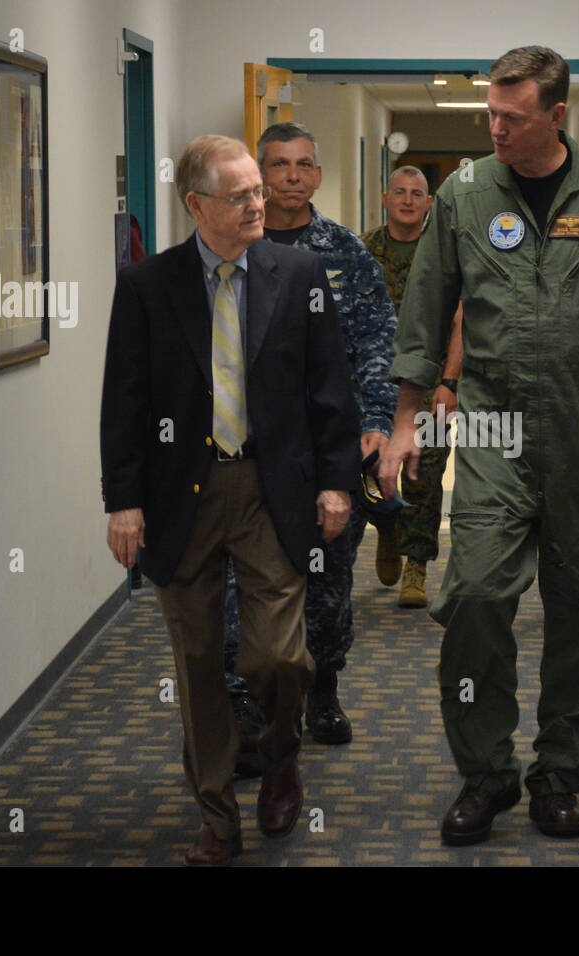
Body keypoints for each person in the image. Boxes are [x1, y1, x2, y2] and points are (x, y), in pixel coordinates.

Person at [380, 46, 579, 845]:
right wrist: (407, 417)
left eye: (511, 119)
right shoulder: (464, 195)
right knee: (478, 595)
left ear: (557, 116)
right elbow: (426, 308)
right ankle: (485, 775)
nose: (495, 130)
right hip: (492, 426)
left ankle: (559, 776)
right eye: (490, 113)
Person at [100, 134, 359, 864]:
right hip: (180, 494)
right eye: (242, 193)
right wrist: (123, 501)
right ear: (196, 205)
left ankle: (280, 755)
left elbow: (329, 389)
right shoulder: (149, 287)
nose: (261, 201)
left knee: (279, 658)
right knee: (198, 662)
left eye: (259, 188)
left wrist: (338, 482)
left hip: (270, 488)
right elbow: (124, 403)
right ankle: (217, 818)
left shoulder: (298, 271)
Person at [220, 121, 397, 751]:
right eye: (278, 165)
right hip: (245, 449)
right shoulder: (229, 247)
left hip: (328, 450)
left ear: (317, 174)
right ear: (258, 176)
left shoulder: (345, 251)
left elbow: (379, 341)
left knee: (326, 580)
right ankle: (243, 701)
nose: (291, 176)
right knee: (244, 582)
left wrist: (378, 423)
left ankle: (323, 690)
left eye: (303, 164)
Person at [361, 166, 464, 608]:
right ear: (385, 199)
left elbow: (462, 318)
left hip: (430, 380)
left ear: (428, 203)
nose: (407, 200)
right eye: (399, 193)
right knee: (369, 466)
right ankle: (387, 524)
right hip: (375, 381)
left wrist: (449, 383)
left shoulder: (443, 250)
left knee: (427, 474)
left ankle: (417, 564)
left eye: (417, 193)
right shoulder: (363, 251)